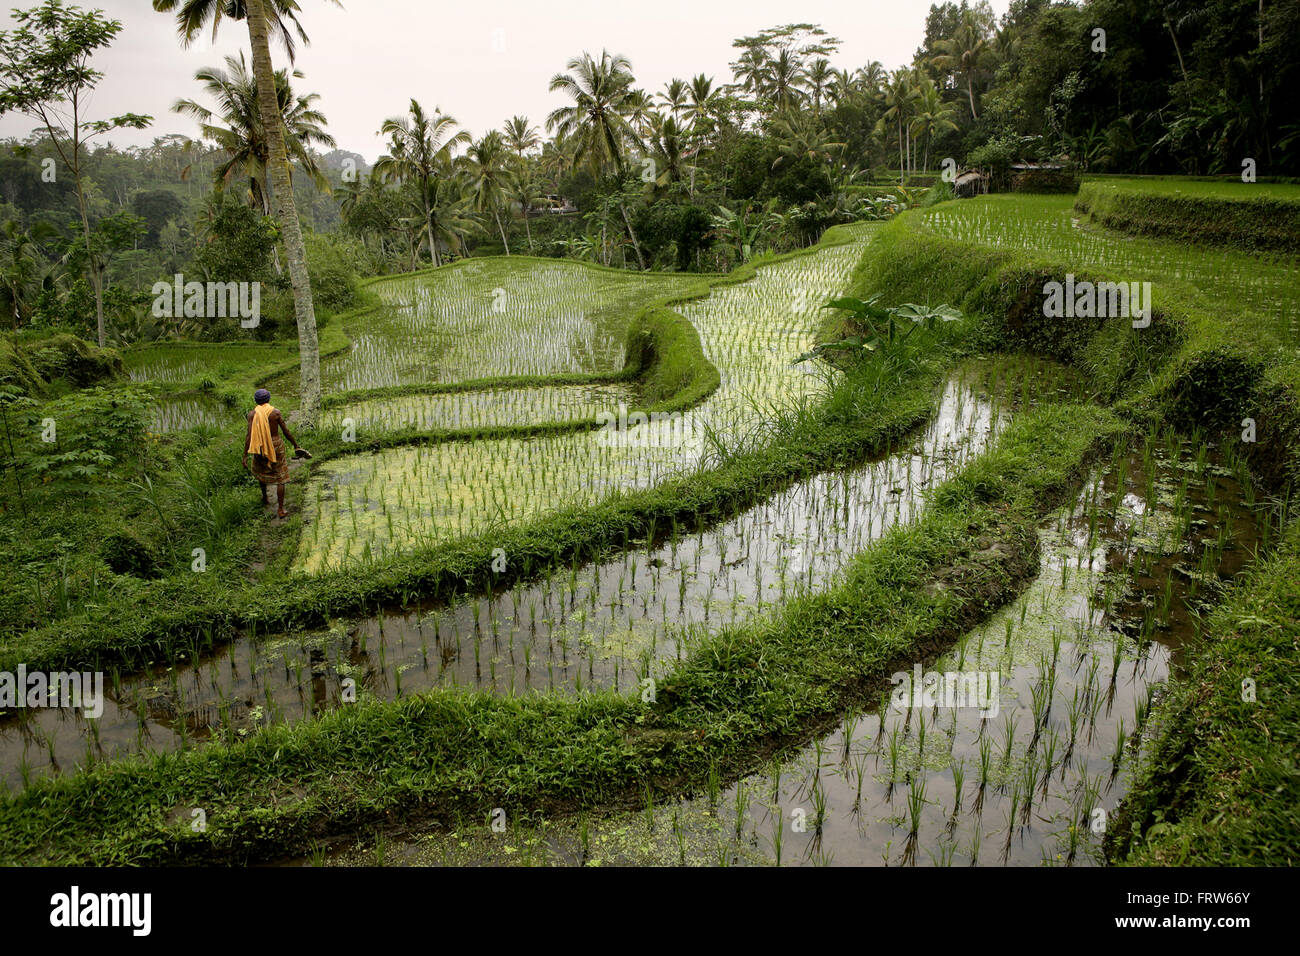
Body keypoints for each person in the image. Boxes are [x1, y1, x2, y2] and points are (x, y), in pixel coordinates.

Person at [242, 388, 300, 518]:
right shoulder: (275, 413)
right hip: (275, 445)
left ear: (256, 401)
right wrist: (295, 445)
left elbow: (249, 436)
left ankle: (265, 497)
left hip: (260, 446)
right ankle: (280, 509)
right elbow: (285, 431)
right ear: (268, 399)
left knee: (261, 471)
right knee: (280, 477)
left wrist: (245, 454)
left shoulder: (252, 414)